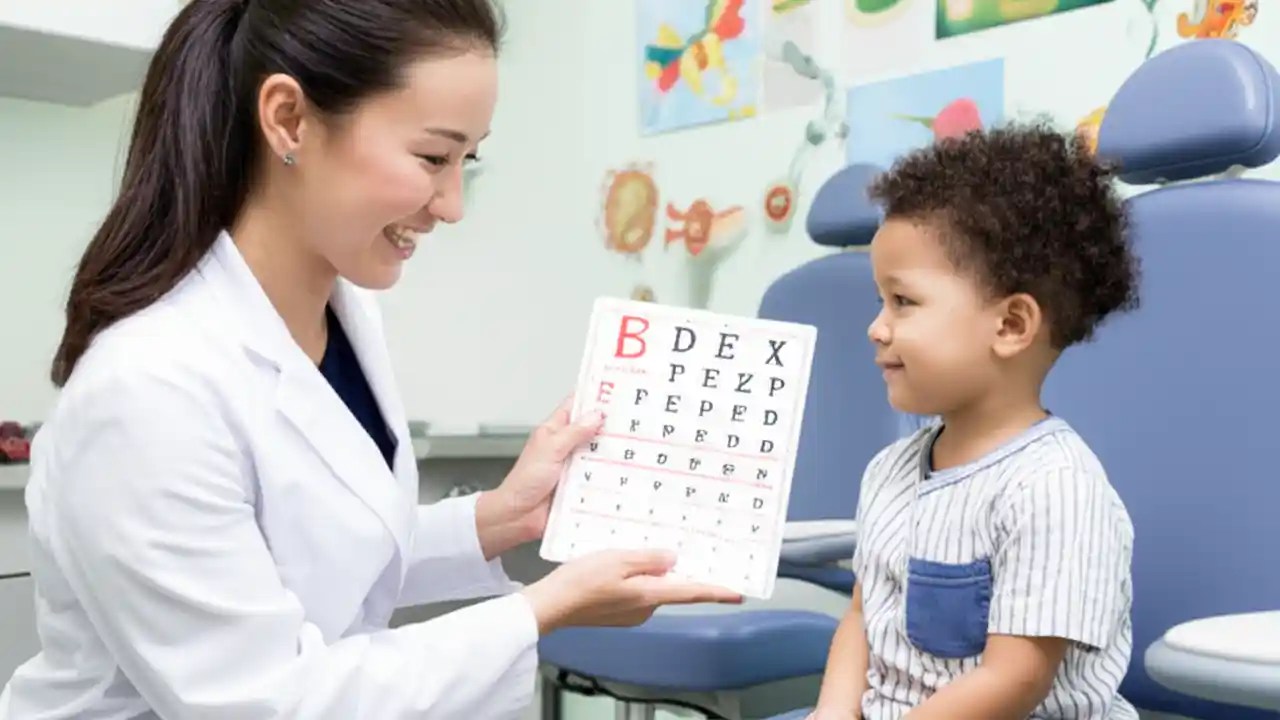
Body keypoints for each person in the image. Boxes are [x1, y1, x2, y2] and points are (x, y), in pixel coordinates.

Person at [0, 1, 742, 718]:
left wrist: (499, 518)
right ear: (288, 119)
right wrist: (541, 611)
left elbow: (318, 555)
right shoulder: (149, 389)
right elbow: (265, 702)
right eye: (432, 157)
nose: (452, 204)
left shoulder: (346, 320)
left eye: (468, 161)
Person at [808, 122, 1141, 719]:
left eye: (903, 302)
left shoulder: (1055, 489)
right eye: (880, 301)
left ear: (1011, 326)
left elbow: (1013, 680)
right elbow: (862, 616)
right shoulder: (890, 471)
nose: (876, 327)